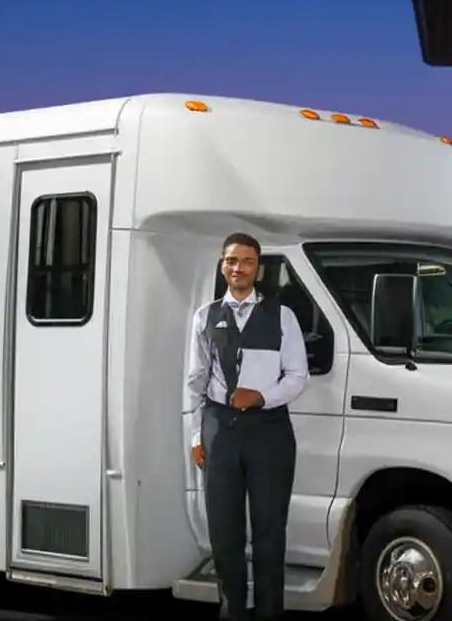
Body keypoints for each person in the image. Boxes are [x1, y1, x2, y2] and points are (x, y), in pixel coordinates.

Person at [186, 232, 309, 621]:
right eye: (230, 261)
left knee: (270, 534)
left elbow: (297, 376)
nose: (237, 268)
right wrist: (195, 435)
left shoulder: (281, 315)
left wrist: (260, 397)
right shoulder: (205, 317)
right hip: (219, 429)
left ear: (258, 268)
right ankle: (232, 612)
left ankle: (270, 613)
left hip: (269, 432)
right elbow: (195, 381)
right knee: (225, 535)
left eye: (246, 262)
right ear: (222, 265)